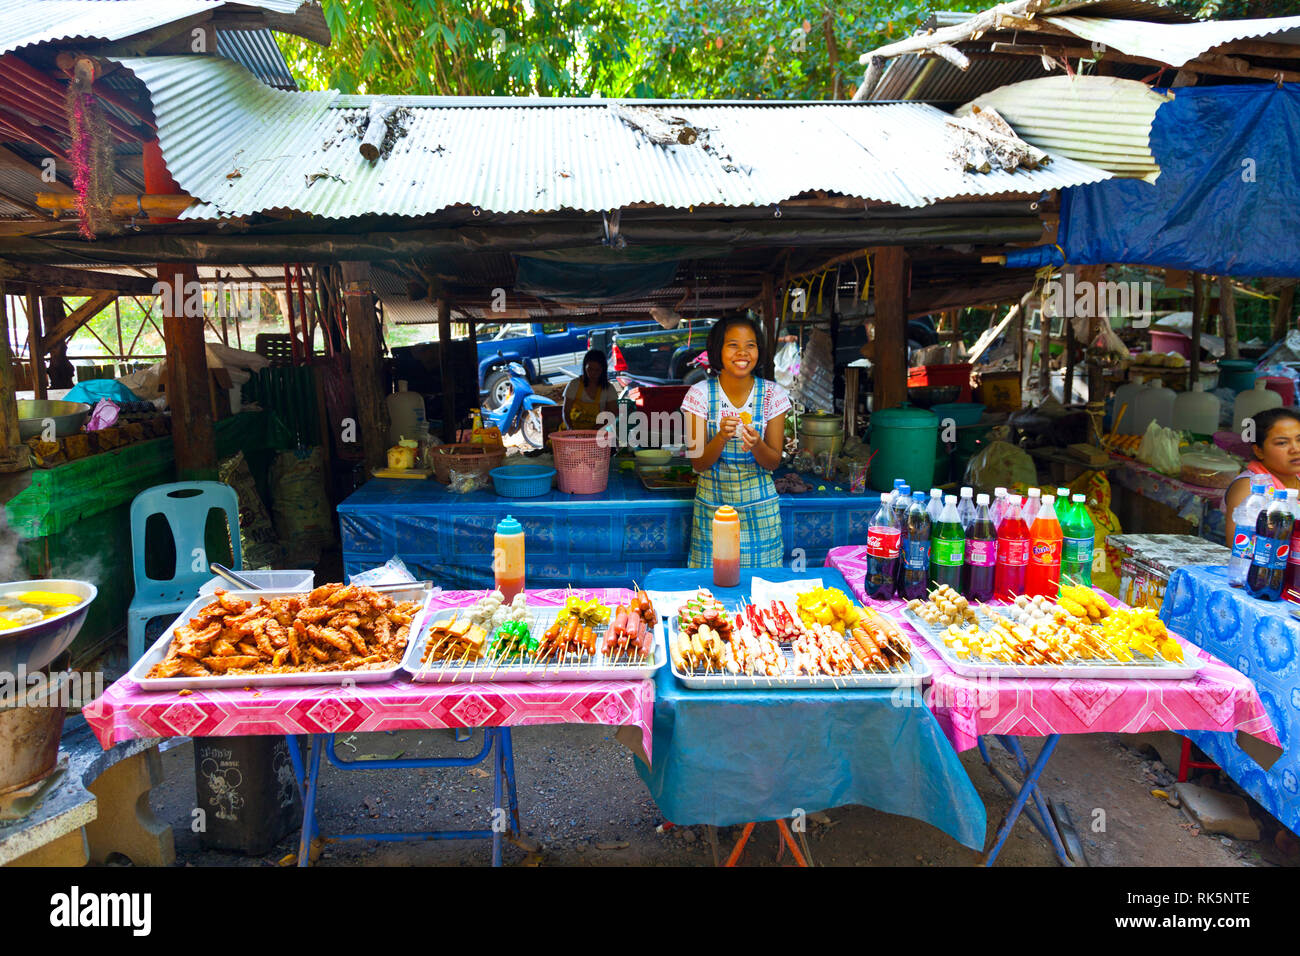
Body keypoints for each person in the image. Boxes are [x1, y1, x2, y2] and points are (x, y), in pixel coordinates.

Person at [681, 316, 790, 568]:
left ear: (759, 351)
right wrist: (720, 437)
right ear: (718, 349)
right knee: (710, 593)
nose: (742, 352)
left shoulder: (773, 395)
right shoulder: (699, 395)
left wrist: (757, 445)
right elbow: (698, 463)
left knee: (762, 593)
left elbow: (773, 462)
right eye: (732, 345)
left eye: (750, 345)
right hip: (713, 512)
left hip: (761, 513)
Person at [1223, 406, 1300, 543]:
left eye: (1299, 440)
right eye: (1282, 443)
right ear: (1259, 451)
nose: (1295, 449)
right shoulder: (1249, 487)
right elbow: (1239, 547)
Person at [561, 349, 618, 430]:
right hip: (572, 430)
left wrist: (598, 428)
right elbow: (566, 412)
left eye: (597, 370)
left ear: (603, 370)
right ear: (584, 367)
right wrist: (570, 429)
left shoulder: (609, 389)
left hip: (597, 432)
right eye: (590, 369)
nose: (593, 373)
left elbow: (613, 413)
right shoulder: (574, 384)